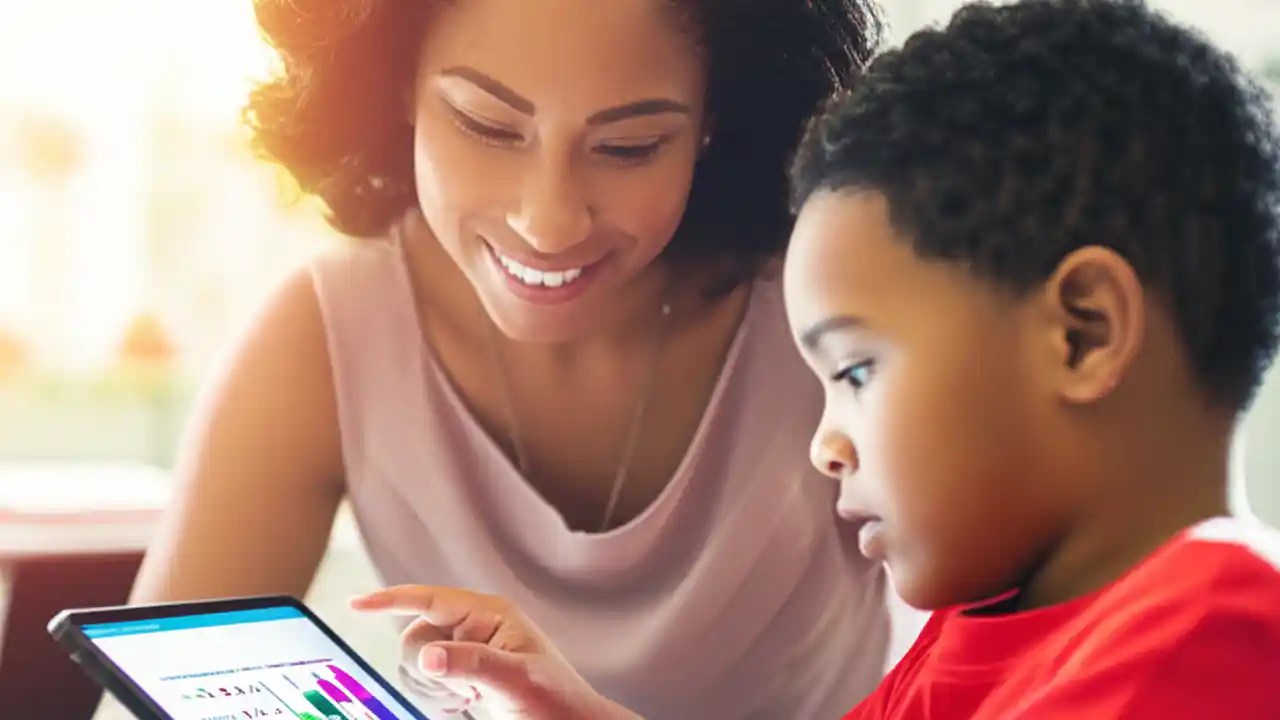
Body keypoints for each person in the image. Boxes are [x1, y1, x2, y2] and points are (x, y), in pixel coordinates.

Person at [353, 0, 1280, 717]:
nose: (824, 445)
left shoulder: (1213, 634)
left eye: (857, 373)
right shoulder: (986, 628)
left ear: (1083, 333)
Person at [129, 1, 897, 718]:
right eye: (487, 125)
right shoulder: (328, 335)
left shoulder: (827, 307)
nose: (549, 221)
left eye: (628, 147)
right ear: (396, 88)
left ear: (712, 121)